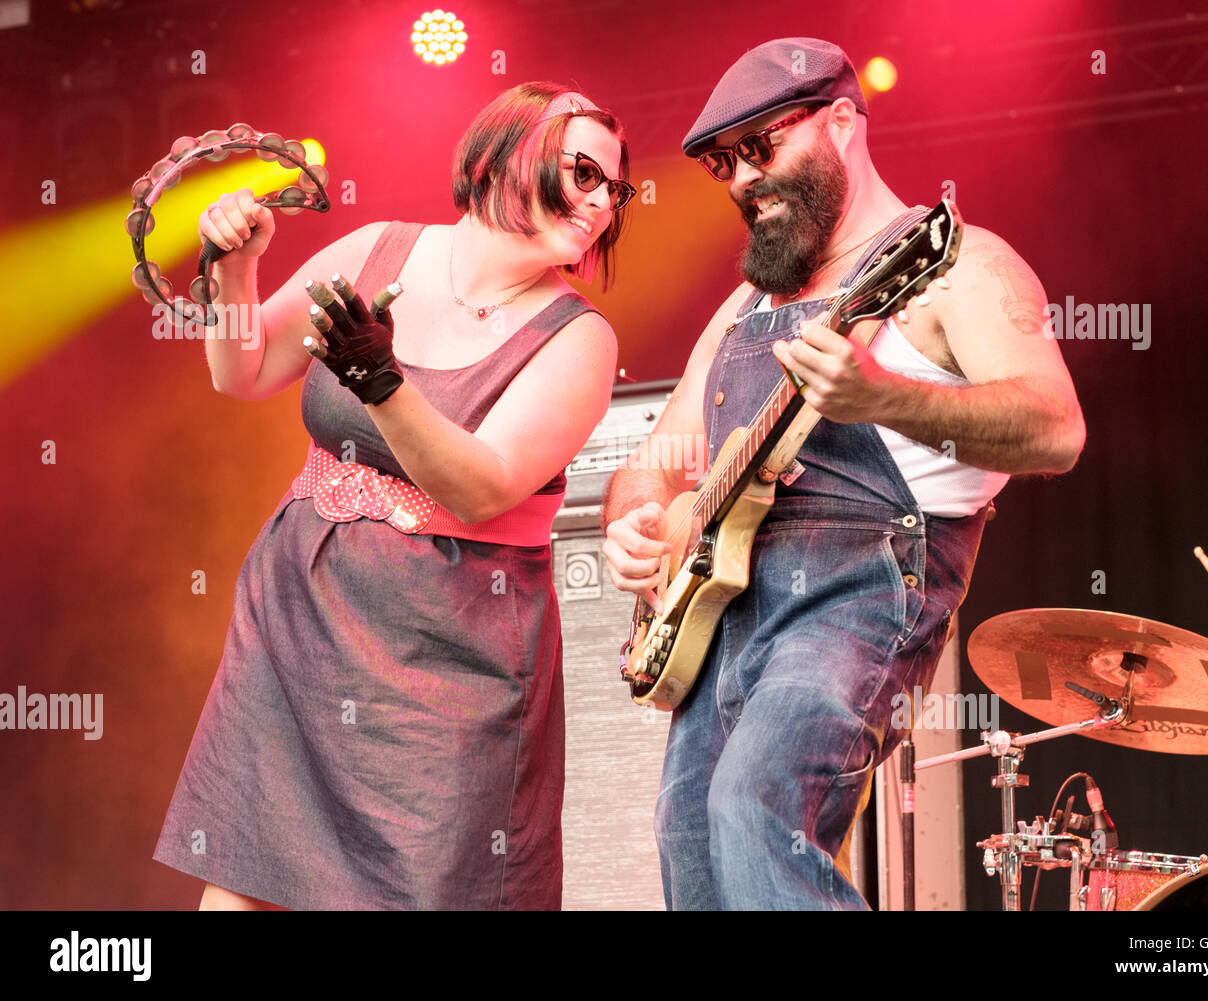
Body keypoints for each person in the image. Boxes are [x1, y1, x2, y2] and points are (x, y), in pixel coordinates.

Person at [600, 38, 1086, 909]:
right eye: (722, 165)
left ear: (841, 123)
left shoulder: (957, 265)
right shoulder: (746, 308)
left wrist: (885, 396)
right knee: (690, 841)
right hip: (724, 622)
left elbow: (1057, 428)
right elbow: (651, 464)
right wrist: (636, 522)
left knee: (757, 806)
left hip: (859, 597)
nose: (743, 178)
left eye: (762, 147)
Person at [153, 81, 635, 910]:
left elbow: (479, 488)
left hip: (450, 663)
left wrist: (381, 380)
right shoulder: (377, 248)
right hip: (302, 613)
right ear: (502, 153)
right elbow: (244, 369)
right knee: (242, 878)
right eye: (583, 171)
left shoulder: (579, 338)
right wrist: (234, 269)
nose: (601, 203)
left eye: (615, 189)